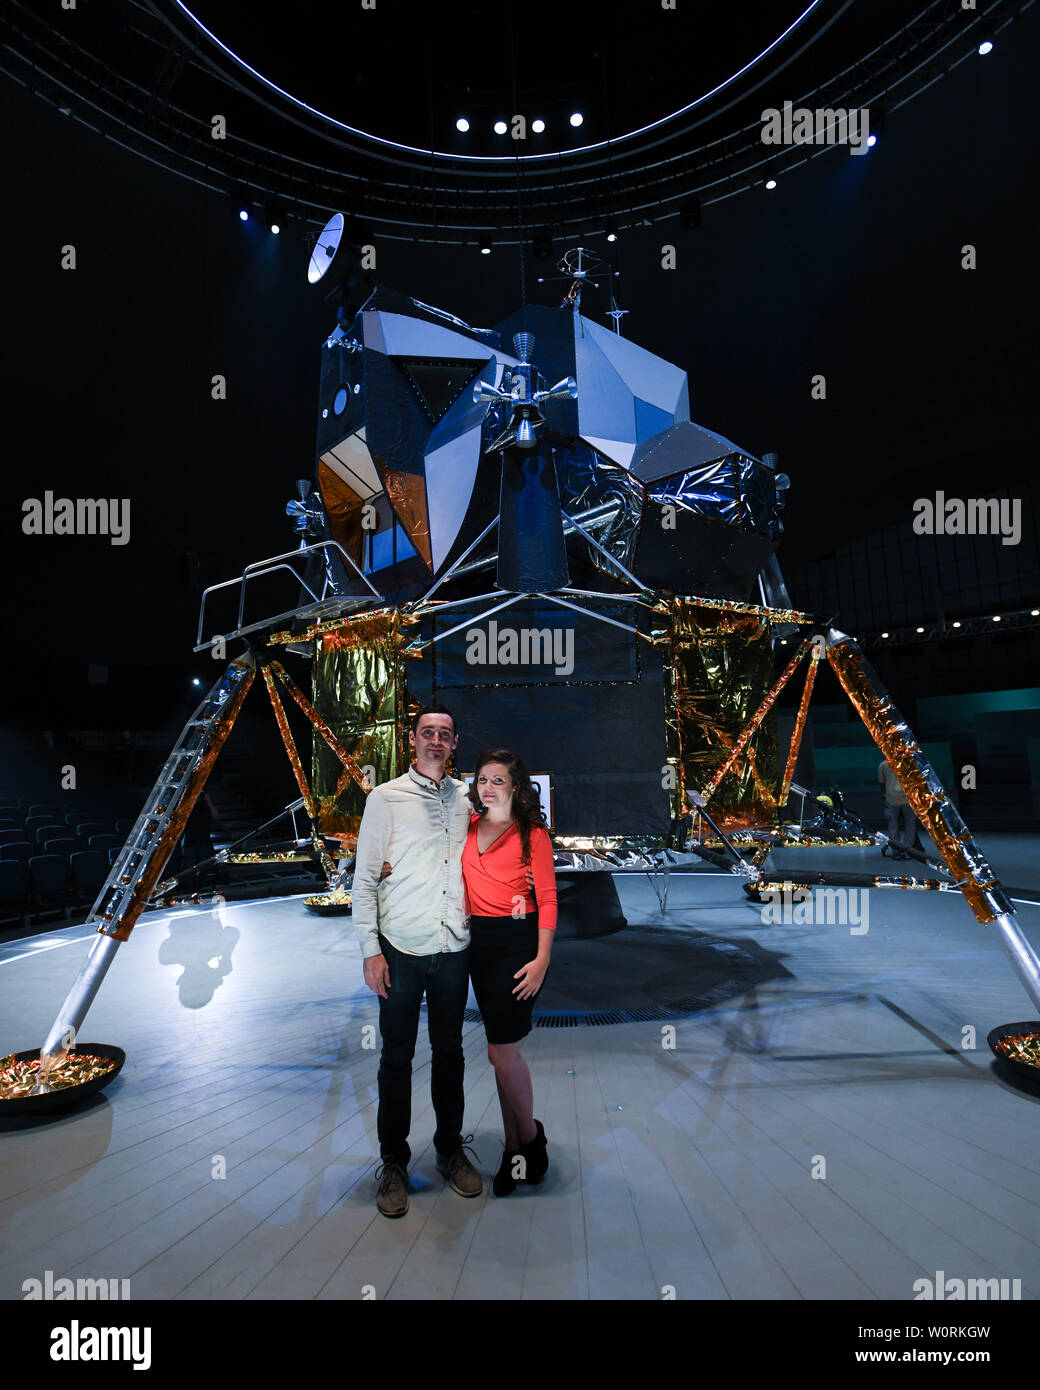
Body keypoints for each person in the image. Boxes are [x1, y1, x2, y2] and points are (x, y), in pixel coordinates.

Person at [352, 703, 481, 1218]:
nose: (435, 740)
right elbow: (364, 880)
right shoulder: (385, 799)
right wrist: (370, 951)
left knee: (450, 1055)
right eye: (427, 732)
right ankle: (394, 1163)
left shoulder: (469, 800)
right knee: (395, 1060)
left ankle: (450, 1149)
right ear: (412, 740)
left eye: (444, 733)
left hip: (453, 949)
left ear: (454, 744)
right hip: (401, 950)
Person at [463, 749, 557, 1197]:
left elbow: (551, 901)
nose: (488, 787)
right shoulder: (465, 828)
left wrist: (541, 960)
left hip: (518, 946)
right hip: (477, 947)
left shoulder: (532, 834)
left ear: (516, 788)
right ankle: (515, 1149)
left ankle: (531, 1140)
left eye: (498, 780)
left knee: (503, 1053)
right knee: (498, 1054)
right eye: (483, 779)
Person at [878, 757, 922, 859]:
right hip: (908, 798)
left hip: (891, 798)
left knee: (893, 825)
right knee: (910, 824)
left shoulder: (883, 765)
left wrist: (885, 795)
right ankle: (908, 852)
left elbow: (882, 783)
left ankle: (896, 851)